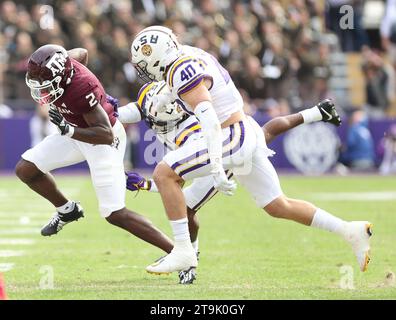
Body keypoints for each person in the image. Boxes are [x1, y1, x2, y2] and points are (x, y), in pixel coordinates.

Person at [130, 26, 373, 275]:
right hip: (245, 129)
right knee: (278, 205)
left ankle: (183, 251)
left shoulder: (180, 69)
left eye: (144, 63)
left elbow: (210, 121)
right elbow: (185, 87)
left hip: (231, 134)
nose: (144, 70)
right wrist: (164, 98)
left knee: (164, 173)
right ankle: (349, 230)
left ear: (156, 55)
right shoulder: (186, 55)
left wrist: (216, 167)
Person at [113, 81, 342, 283]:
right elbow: (137, 109)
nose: (150, 120)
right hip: (242, 129)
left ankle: (189, 261)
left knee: (186, 207)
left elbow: (175, 182)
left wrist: (144, 185)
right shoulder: (172, 102)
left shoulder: (189, 132)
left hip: (222, 157)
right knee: (266, 134)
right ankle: (316, 112)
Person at [15, 44, 173, 256]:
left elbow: (105, 134)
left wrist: (69, 128)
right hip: (76, 131)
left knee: (114, 213)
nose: (42, 89)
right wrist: (71, 126)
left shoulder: (80, 88)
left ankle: (178, 251)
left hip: (102, 140)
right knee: (26, 169)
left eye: (45, 83)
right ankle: (67, 210)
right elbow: (82, 52)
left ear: (61, 75)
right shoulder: (67, 65)